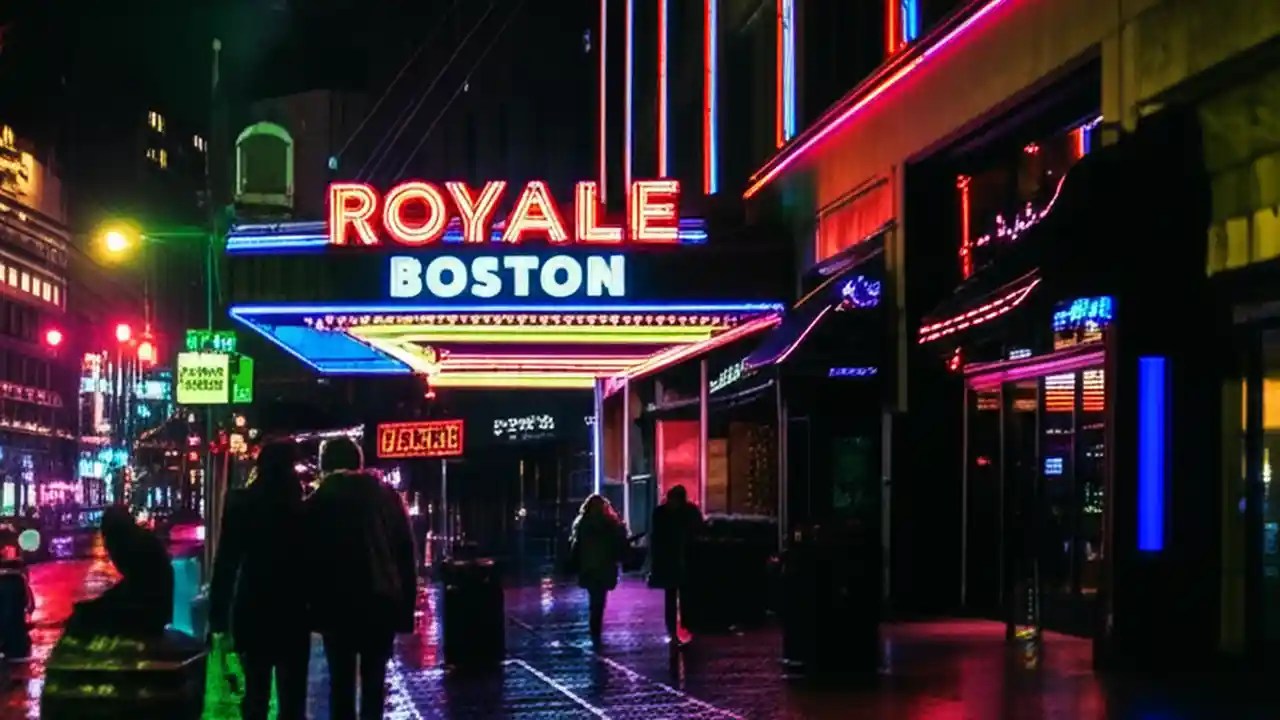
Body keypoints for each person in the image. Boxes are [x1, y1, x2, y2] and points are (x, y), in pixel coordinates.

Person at [306, 437, 417, 720]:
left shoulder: (318, 501)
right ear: (359, 462)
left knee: (340, 684)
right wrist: (405, 612)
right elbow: (405, 554)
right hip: (380, 602)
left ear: (325, 465)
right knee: (374, 683)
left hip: (336, 605)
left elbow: (306, 557)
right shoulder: (387, 497)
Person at [210, 441, 310, 720]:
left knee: (255, 695)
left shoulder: (241, 503)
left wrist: (217, 618)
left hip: (252, 608)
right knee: (292, 701)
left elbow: (226, 563)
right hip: (293, 611)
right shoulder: (301, 509)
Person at [64, 506, 173, 638]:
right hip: (152, 610)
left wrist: (92, 609)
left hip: (149, 614)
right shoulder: (141, 542)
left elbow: (133, 592)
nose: (107, 547)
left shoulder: (136, 548)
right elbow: (128, 588)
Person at [648, 485, 704, 647]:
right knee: (679, 596)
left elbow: (656, 538)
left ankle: (677, 630)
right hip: (680, 559)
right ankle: (678, 630)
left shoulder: (662, 513)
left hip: (675, 560)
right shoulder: (688, 512)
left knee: (674, 597)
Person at [569, 495, 627, 647]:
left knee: (594, 598)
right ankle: (596, 627)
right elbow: (618, 544)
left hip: (589, 567)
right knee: (600, 599)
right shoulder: (610, 524)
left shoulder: (582, 524)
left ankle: (594, 627)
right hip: (604, 566)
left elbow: (576, 546)